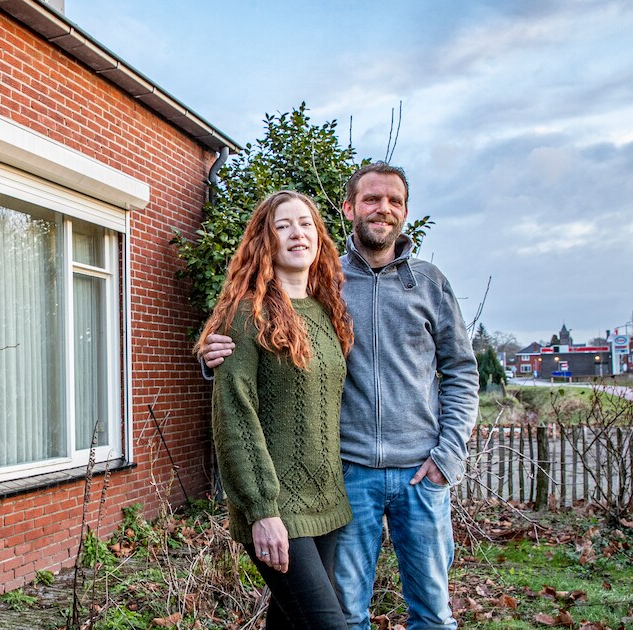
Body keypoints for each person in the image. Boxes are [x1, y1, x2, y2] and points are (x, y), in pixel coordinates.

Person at [202, 163, 479, 629]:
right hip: (350, 475)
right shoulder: (328, 283)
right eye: (371, 199)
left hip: (419, 474)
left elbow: (461, 371)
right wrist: (212, 359)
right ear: (350, 208)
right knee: (343, 616)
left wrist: (448, 455)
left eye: (394, 201)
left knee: (433, 613)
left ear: (406, 212)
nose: (383, 209)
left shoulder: (423, 283)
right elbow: (252, 365)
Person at [199, 190, 355, 628]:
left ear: (319, 237)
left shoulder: (328, 312)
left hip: (326, 501)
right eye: (283, 225)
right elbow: (235, 415)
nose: (296, 233)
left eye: (305, 223)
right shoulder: (246, 315)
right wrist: (262, 511)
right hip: (277, 507)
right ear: (264, 240)